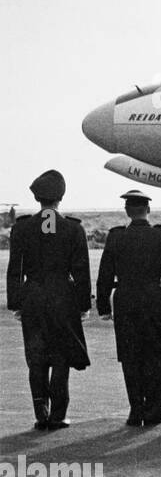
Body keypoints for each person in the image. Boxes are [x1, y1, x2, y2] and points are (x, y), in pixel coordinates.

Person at [6, 170, 91, 429]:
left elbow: (15, 270)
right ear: (60, 197)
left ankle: (40, 412)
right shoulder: (73, 229)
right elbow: (81, 271)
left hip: (32, 297)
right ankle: (58, 415)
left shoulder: (22, 228)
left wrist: (16, 302)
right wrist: (83, 304)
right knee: (61, 357)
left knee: (36, 357)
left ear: (37, 197)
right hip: (63, 298)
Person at [96, 189, 161, 426]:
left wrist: (103, 306)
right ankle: (155, 411)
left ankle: (136, 410)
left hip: (125, 299)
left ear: (127, 211)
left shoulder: (116, 237)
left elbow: (104, 275)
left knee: (131, 356)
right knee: (157, 355)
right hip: (154, 299)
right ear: (149, 210)